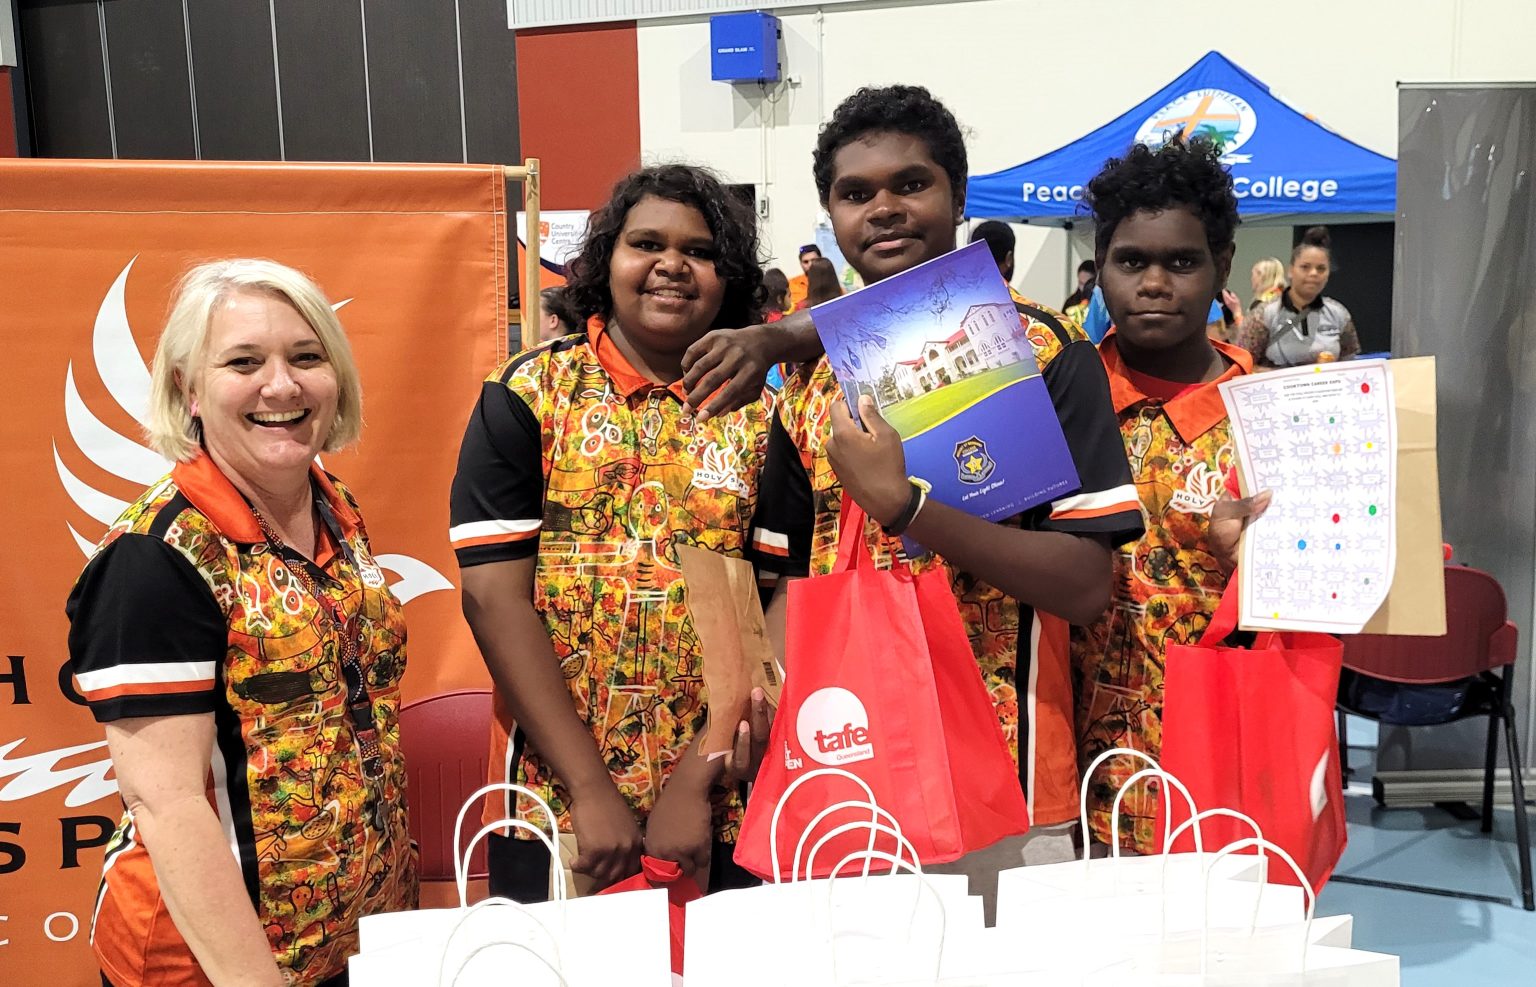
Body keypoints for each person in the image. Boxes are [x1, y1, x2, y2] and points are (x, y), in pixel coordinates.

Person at [725, 85, 1143, 912]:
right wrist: (762, 716)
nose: (883, 209)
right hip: (844, 777)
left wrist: (912, 510)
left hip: (1007, 793)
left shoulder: (1043, 353)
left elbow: (1086, 584)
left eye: (910, 184)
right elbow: (781, 588)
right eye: (856, 193)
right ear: (830, 216)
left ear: (956, 193)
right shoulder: (805, 386)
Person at [65, 259, 416, 986]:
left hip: (347, 946)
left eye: (307, 356)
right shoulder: (154, 560)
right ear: (188, 389)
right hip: (209, 965)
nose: (282, 385)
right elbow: (168, 808)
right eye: (244, 362)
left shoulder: (333, 506)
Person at [450, 164, 773, 903]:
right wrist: (591, 790)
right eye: (647, 243)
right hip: (554, 803)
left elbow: (778, 604)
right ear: (606, 261)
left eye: (700, 251)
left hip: (727, 799)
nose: (671, 265)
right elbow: (494, 600)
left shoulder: (764, 415)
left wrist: (696, 781)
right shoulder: (526, 394)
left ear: (729, 278)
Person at [1072, 138, 1271, 854]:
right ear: (1099, 268)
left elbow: (1341, 595)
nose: (1154, 282)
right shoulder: (1060, 398)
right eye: (1131, 261)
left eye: (1182, 262)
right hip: (1068, 786)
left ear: (1222, 265)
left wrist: (1254, 566)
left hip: (1223, 775)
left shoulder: (1270, 415)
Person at [1236, 227, 1360, 367]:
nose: (1313, 273)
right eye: (1305, 267)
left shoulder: (1339, 314)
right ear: (1290, 270)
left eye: (1321, 268)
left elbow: (1349, 361)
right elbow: (1242, 364)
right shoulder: (1263, 315)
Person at [786, 243, 822, 311]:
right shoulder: (790, 284)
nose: (810, 264)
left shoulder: (831, 281)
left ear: (821, 260)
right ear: (801, 264)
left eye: (814, 260)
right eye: (805, 262)